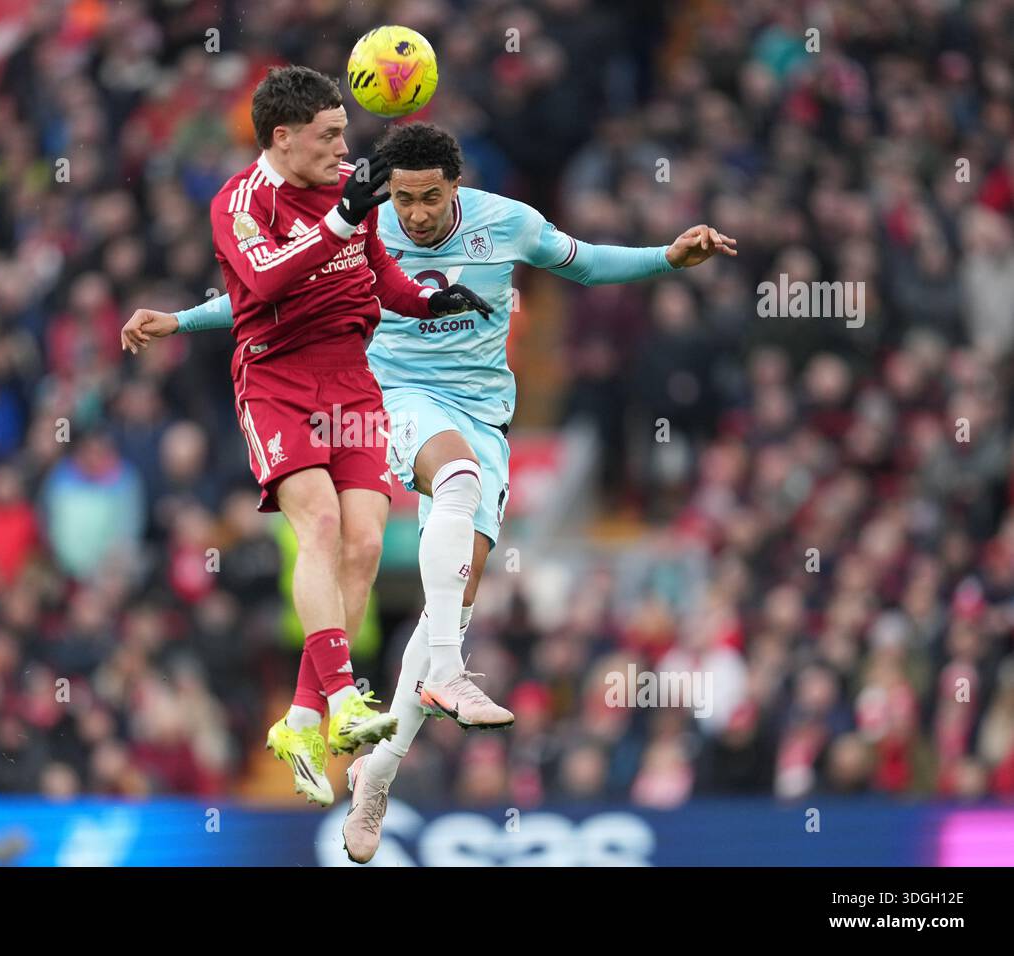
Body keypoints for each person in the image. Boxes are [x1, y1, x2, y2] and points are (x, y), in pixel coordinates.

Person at [125, 121, 734, 855]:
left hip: (487, 412)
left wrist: (668, 257)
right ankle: (447, 669)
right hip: (394, 395)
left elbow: (587, 263)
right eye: (405, 198)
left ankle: (377, 778)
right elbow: (266, 295)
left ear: (455, 185)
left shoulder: (505, 222)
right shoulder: (363, 227)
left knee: (459, 588)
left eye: (429, 197)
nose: (414, 213)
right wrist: (182, 319)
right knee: (455, 476)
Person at [124, 71, 491, 806]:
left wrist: (430, 298)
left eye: (344, 132)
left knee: (361, 541)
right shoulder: (238, 202)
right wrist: (341, 220)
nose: (343, 146)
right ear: (282, 138)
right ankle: (343, 697)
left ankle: (300, 717)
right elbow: (259, 286)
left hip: (351, 380)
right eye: (329, 135)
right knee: (319, 525)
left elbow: (376, 271)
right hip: (278, 382)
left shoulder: (351, 185)